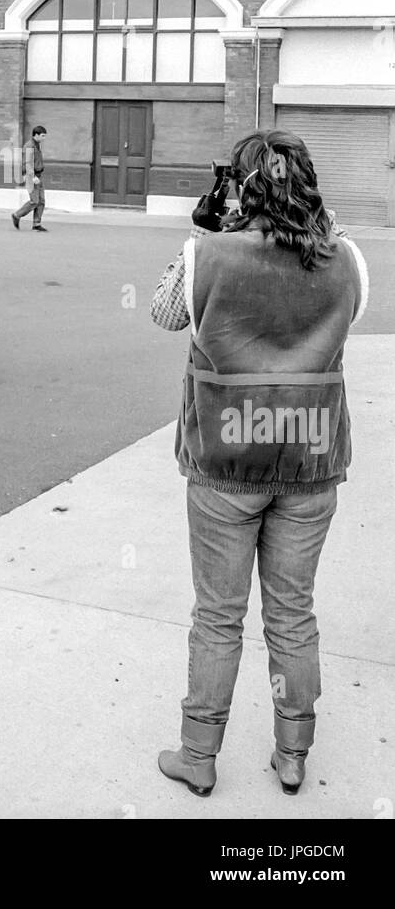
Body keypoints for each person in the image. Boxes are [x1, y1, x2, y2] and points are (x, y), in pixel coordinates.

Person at [150, 130, 368, 798]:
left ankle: (199, 753)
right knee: (292, 612)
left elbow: (165, 315)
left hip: (225, 460)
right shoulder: (346, 260)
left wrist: (207, 233)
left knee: (218, 614)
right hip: (309, 461)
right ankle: (293, 751)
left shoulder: (206, 254)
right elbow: (346, 315)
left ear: (239, 189)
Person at [12, 124, 47, 231]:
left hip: (39, 175)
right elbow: (27, 163)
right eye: (43, 136)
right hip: (32, 176)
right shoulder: (29, 146)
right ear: (36, 135)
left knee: (41, 201)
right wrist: (32, 177)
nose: (44, 138)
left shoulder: (37, 144)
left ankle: (37, 224)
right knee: (34, 201)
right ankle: (17, 215)